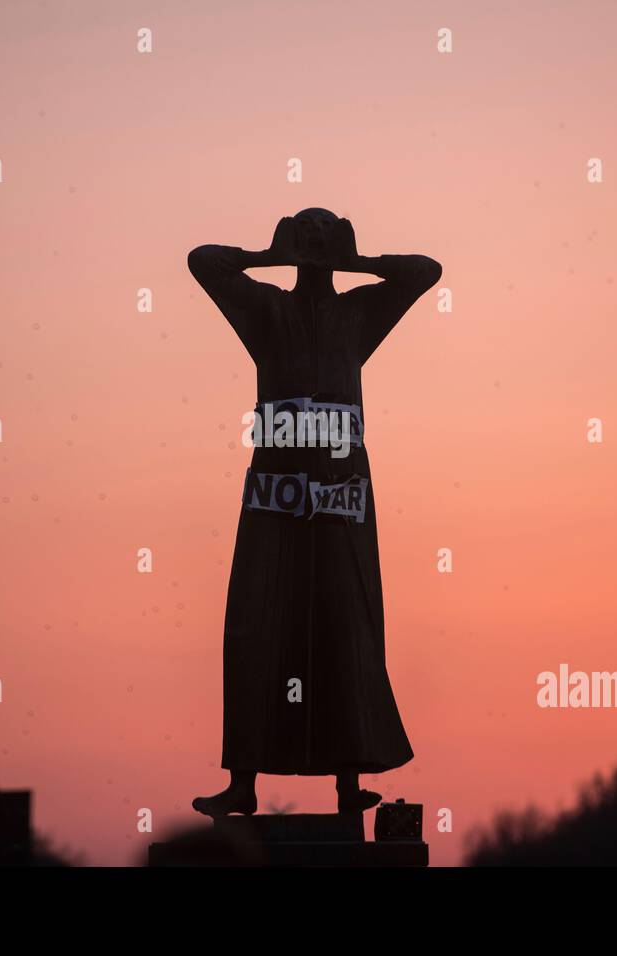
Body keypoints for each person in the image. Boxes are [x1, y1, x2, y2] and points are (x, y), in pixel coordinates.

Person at [187, 208, 442, 816]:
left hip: (342, 497)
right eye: (308, 235)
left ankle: (349, 787)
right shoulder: (266, 312)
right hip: (273, 494)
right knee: (255, 627)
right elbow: (203, 261)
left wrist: (358, 264)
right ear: (289, 243)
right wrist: (266, 255)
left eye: (327, 235)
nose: (318, 245)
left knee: (344, 626)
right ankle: (244, 786)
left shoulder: (358, 316)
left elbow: (425, 272)